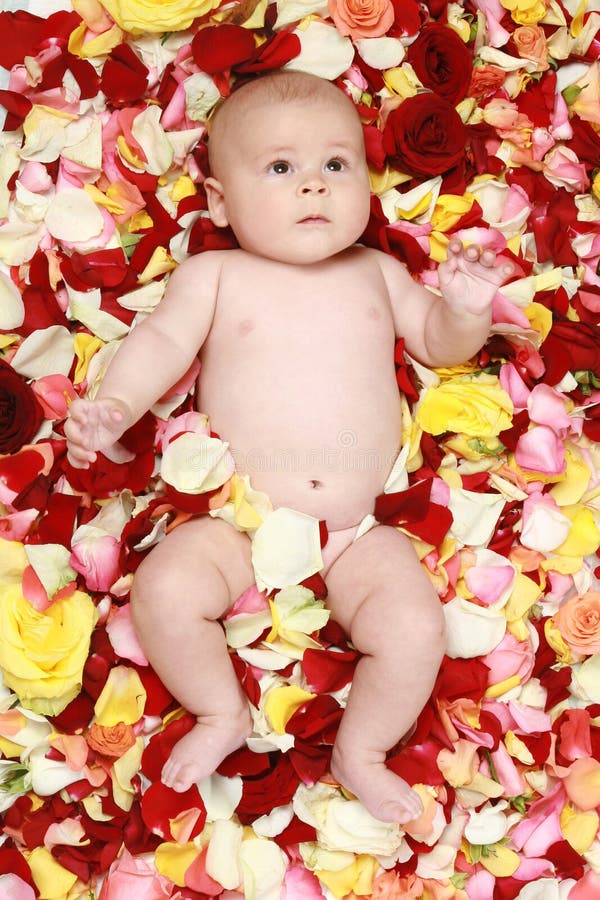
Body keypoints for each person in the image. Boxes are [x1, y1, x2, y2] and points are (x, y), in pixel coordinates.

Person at [65, 71, 512, 824]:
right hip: (241, 522)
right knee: (166, 589)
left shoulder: (377, 272)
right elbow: (163, 342)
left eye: (335, 165)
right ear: (218, 202)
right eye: (281, 168)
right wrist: (116, 404)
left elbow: (437, 344)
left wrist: (465, 311)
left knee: (411, 627)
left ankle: (361, 749)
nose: (313, 186)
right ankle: (219, 710)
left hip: (356, 532)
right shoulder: (216, 275)